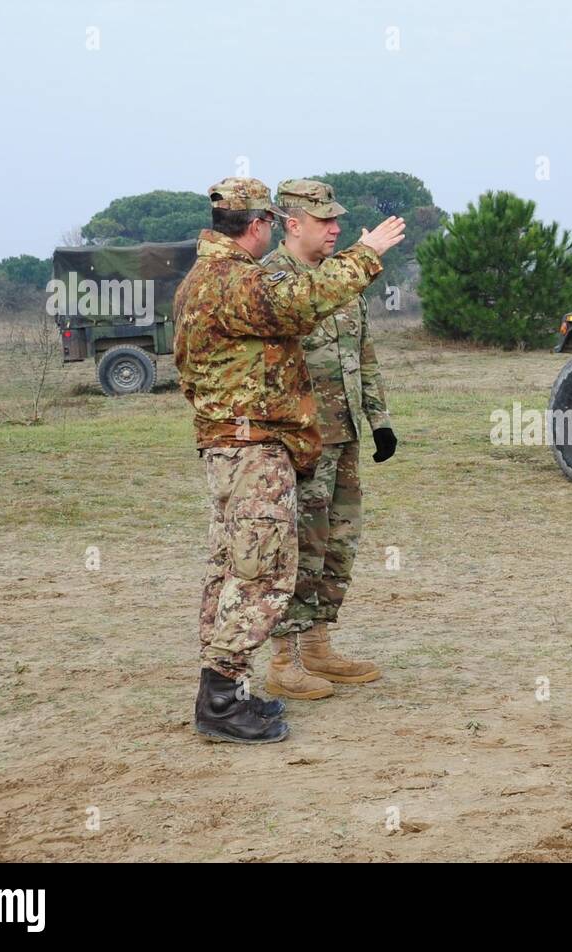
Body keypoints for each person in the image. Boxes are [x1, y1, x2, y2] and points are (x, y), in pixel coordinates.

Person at [173, 176, 404, 743]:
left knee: (240, 569)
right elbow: (299, 304)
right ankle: (224, 701)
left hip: (251, 442)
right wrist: (366, 255)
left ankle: (225, 694)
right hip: (249, 447)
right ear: (263, 225)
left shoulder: (213, 277)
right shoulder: (233, 281)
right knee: (259, 573)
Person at [259, 178, 395, 700]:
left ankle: (317, 645)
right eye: (325, 221)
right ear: (293, 224)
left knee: (336, 543)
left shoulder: (341, 281)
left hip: (343, 436)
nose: (336, 228)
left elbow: (363, 353)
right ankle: (282, 659)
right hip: (296, 440)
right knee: (295, 548)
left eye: (338, 220)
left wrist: (379, 418)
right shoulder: (271, 281)